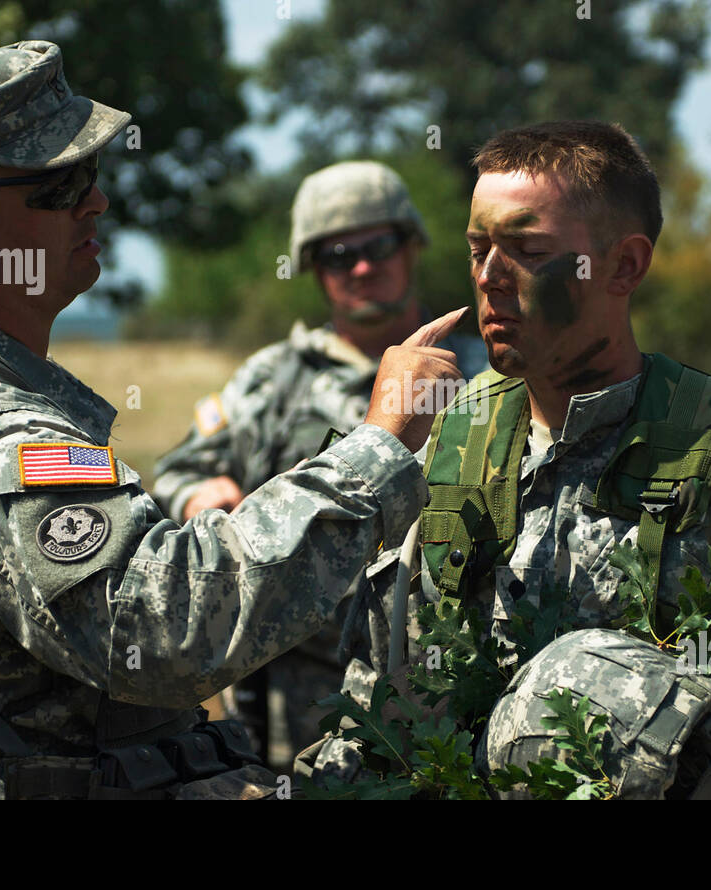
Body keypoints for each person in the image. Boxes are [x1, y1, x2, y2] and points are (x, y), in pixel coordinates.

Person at [0, 36, 462, 799]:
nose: (95, 201)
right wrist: (376, 447)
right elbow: (168, 629)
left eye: (91, 174)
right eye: (57, 184)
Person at [311, 120, 711, 799]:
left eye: (526, 249)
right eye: (478, 247)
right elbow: (374, 727)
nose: (488, 277)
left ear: (624, 265)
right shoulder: (434, 456)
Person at [153, 161, 485, 771]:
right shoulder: (275, 379)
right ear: (314, 270)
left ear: (412, 246)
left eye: (378, 245)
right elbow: (177, 471)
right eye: (337, 255)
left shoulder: (480, 370)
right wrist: (205, 496)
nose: (362, 267)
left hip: (459, 698)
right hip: (305, 717)